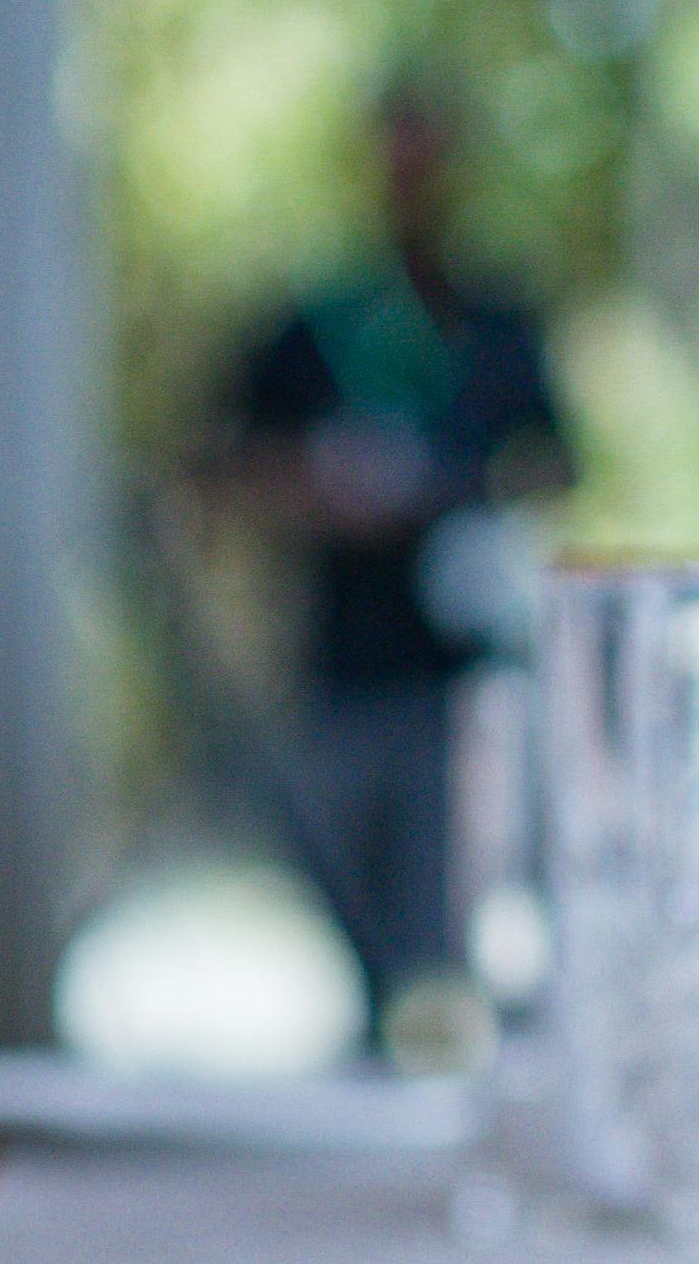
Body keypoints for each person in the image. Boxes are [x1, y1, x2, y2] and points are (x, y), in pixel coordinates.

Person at [227, 83, 574, 1021]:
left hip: (463, 673)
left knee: (452, 911)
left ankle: (440, 1061)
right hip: (343, 664)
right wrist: (321, 485)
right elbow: (221, 461)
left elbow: (557, 464)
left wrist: (443, 488)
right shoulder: (319, 322)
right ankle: (374, 1055)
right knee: (349, 909)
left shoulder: (496, 322)